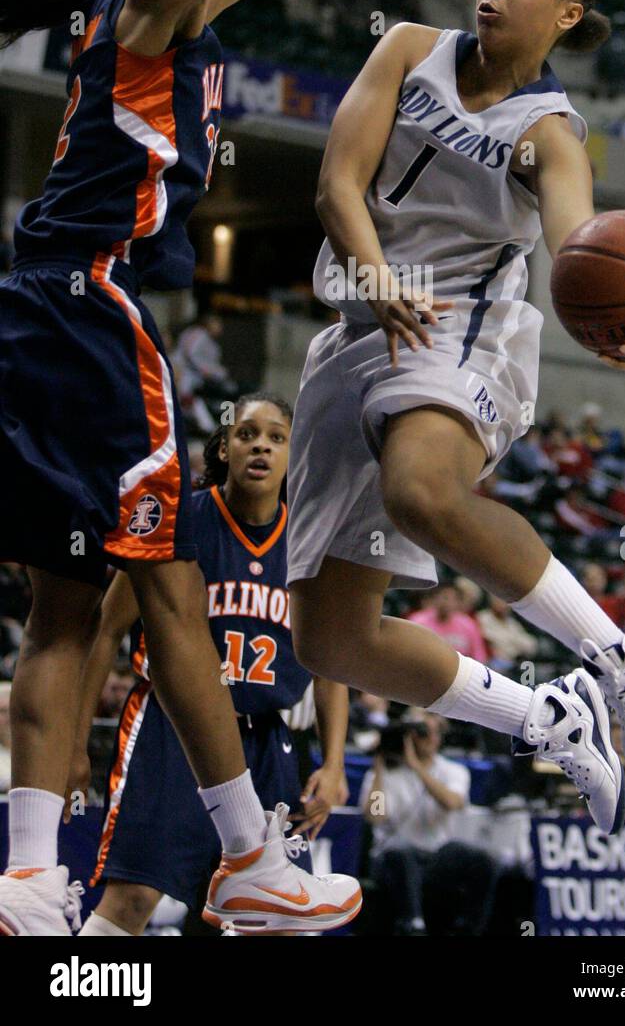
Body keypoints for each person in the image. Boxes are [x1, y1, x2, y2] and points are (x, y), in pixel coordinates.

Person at [0, 0, 492, 936]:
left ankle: (22, 878)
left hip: (45, 306)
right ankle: (244, 857)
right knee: (162, 586)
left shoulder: (172, 17)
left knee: (66, 598)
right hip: (91, 308)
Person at [285, 0, 625, 834]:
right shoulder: (406, 49)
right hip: (356, 327)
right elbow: (336, 186)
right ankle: (541, 716)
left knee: (421, 491)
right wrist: (376, 281)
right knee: (329, 640)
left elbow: (578, 252)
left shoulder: (548, 137)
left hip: (457, 333)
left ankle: (624, 660)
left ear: (566, 13)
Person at [69, 393, 349, 937]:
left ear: (294, 456)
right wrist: (75, 743)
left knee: (276, 919)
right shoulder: (180, 524)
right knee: (133, 897)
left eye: (276, 437)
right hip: (172, 732)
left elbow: (329, 660)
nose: (261, 446)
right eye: (247, 434)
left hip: (267, 741)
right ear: (223, 447)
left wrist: (334, 762)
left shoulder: (310, 542)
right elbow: (104, 631)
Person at [360, 710, 470, 934]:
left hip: (435, 858)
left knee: (483, 859)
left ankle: (470, 928)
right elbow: (375, 816)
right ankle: (414, 925)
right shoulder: (382, 775)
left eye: (432, 732)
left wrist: (416, 766)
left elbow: (452, 802)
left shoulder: (453, 770)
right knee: (402, 852)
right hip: (392, 859)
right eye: (421, 732)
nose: (428, 738)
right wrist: (380, 763)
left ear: (440, 737)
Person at [408, 583, 488, 663]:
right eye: (444, 597)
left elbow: (479, 656)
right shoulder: (418, 620)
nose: (446, 602)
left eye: (451, 599)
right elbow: (410, 650)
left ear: (458, 602)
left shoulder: (468, 624)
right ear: (435, 598)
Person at [476, 594, 537, 670]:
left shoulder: (511, 623)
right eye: (500, 602)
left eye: (506, 603)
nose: (504, 606)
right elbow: (495, 641)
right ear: (492, 603)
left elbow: (531, 645)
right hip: (492, 663)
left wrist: (512, 642)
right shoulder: (483, 618)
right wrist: (515, 643)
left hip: (515, 663)